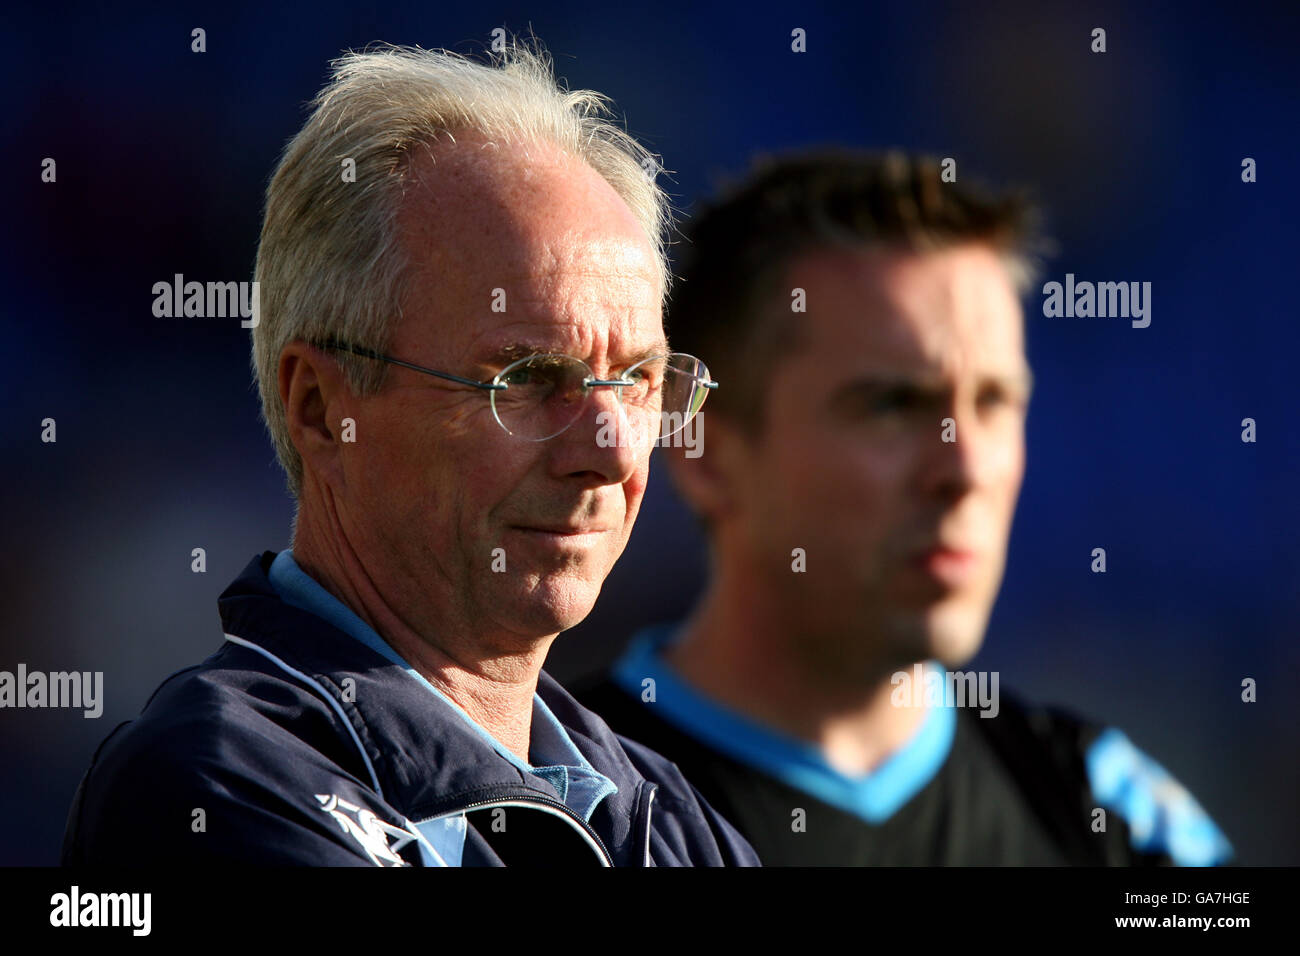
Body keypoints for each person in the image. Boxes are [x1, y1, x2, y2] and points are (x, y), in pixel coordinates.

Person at [61, 43, 756, 867]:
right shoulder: (210, 784)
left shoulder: (671, 822)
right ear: (322, 410)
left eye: (637, 378)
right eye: (528, 377)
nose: (608, 450)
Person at [575, 150, 1233, 866]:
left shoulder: (1106, 811)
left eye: (994, 402)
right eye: (891, 405)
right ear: (705, 456)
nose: (965, 467)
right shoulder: (564, 814)